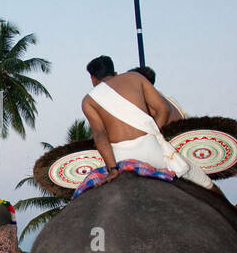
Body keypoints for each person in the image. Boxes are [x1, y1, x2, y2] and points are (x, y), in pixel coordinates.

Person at [82, 55, 213, 188]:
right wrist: (153, 134)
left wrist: (113, 170)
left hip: (119, 157)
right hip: (152, 150)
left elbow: (100, 136)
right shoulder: (135, 77)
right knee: (202, 181)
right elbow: (163, 109)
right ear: (115, 73)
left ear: (93, 79)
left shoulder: (88, 101)